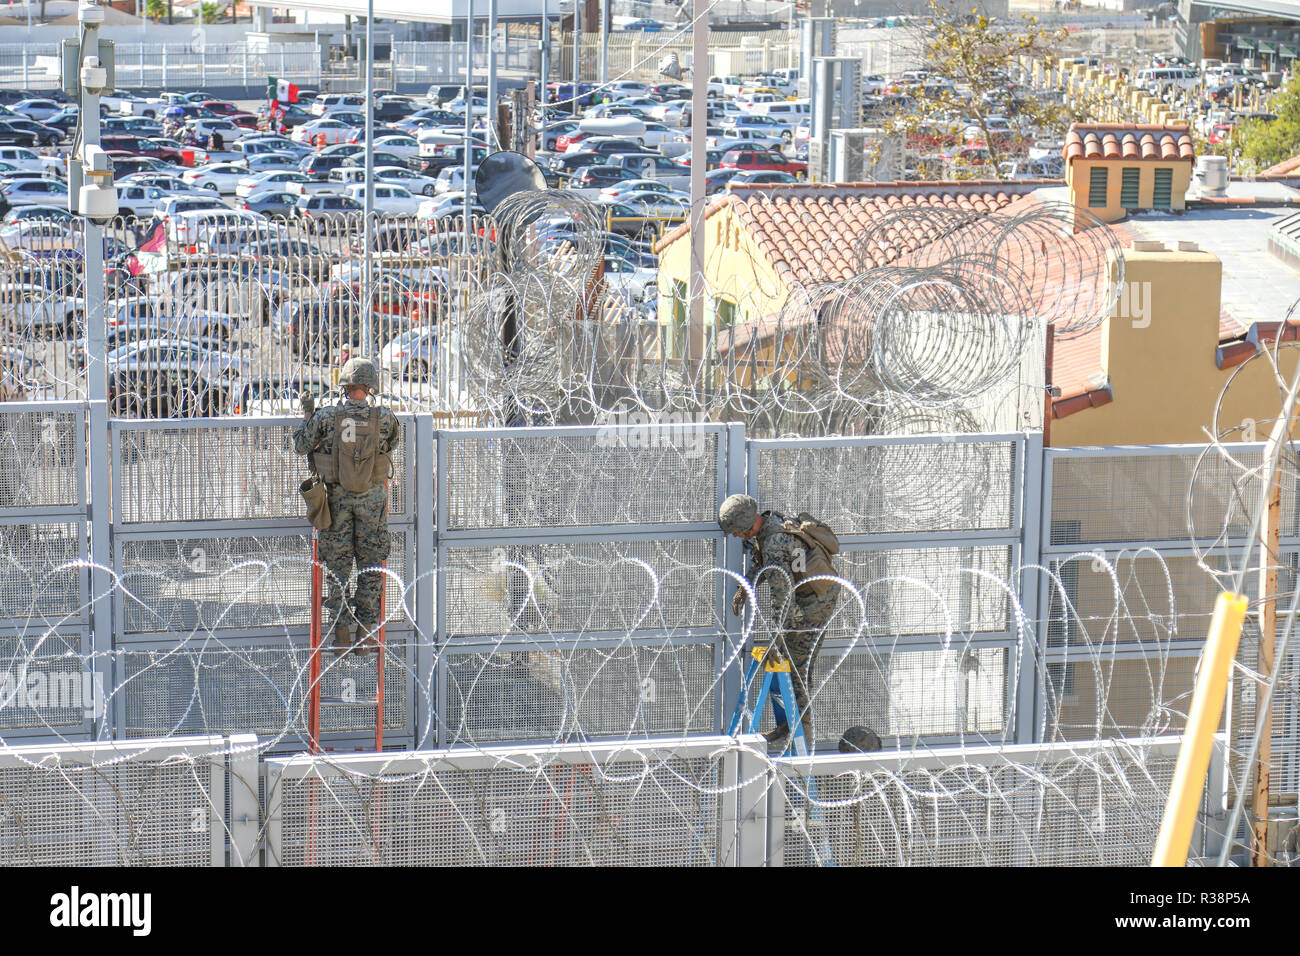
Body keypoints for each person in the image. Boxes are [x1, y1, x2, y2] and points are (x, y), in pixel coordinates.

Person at [294, 358, 400, 658]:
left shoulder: (327, 417)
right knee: (370, 566)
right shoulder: (385, 417)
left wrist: (307, 414)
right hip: (372, 502)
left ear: (345, 384)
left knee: (338, 567)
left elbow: (301, 445)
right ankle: (365, 634)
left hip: (335, 502)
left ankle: (340, 634)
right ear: (370, 386)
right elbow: (392, 443)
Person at [719, 493, 842, 752]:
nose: (735, 537)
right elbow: (761, 563)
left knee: (796, 675)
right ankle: (789, 726)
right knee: (786, 667)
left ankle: (802, 745)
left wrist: (777, 638)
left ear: (746, 525)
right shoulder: (769, 524)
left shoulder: (775, 542)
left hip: (812, 608)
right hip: (810, 598)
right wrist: (747, 586)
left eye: (736, 532)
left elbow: (782, 598)